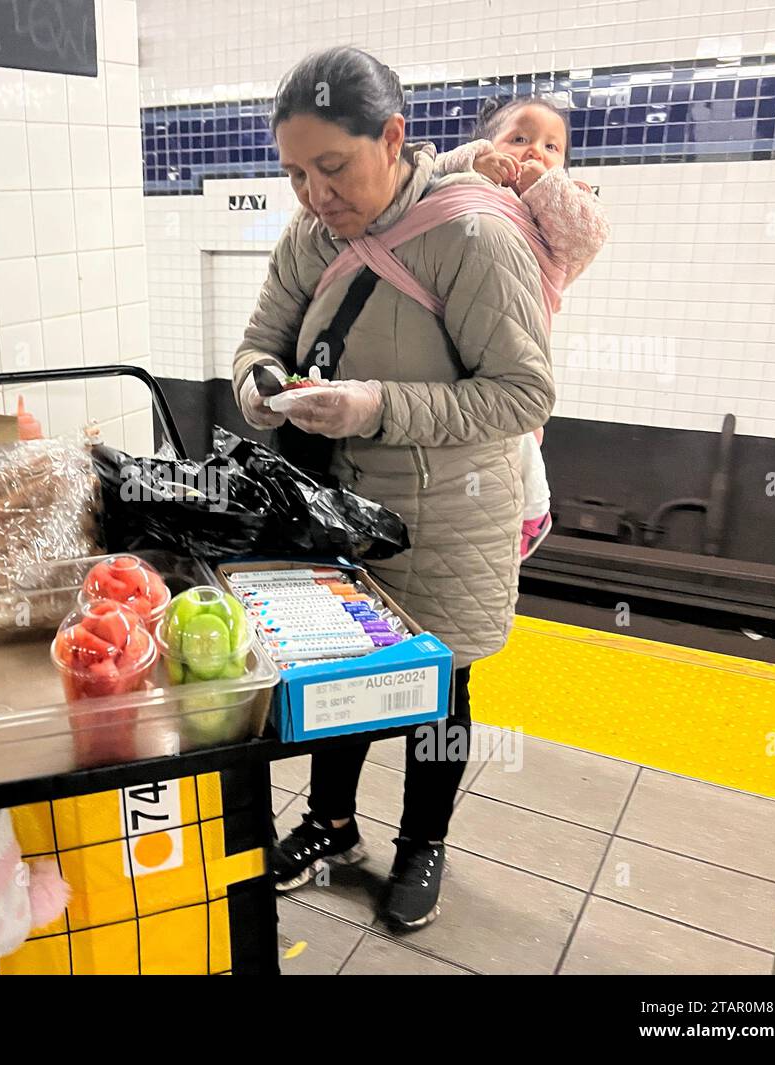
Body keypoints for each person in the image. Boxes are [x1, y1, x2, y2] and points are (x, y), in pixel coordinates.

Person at [235, 48, 554, 930]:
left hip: (449, 514)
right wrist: (261, 383)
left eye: (332, 166)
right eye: (295, 172)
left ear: (394, 137)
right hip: (341, 506)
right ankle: (330, 825)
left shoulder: (475, 236)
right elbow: (260, 335)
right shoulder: (308, 234)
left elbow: (523, 392)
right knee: (346, 675)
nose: (313, 193)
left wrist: (373, 404)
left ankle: (424, 841)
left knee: (437, 689)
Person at [435, 95, 611, 560]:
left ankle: (534, 512)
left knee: (513, 430)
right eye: (519, 139)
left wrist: (545, 186)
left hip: (516, 344)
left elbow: (587, 234)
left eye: (553, 148)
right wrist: (472, 162)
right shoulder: (464, 192)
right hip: (453, 338)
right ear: (486, 146)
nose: (536, 152)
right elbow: (425, 176)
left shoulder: (559, 206)